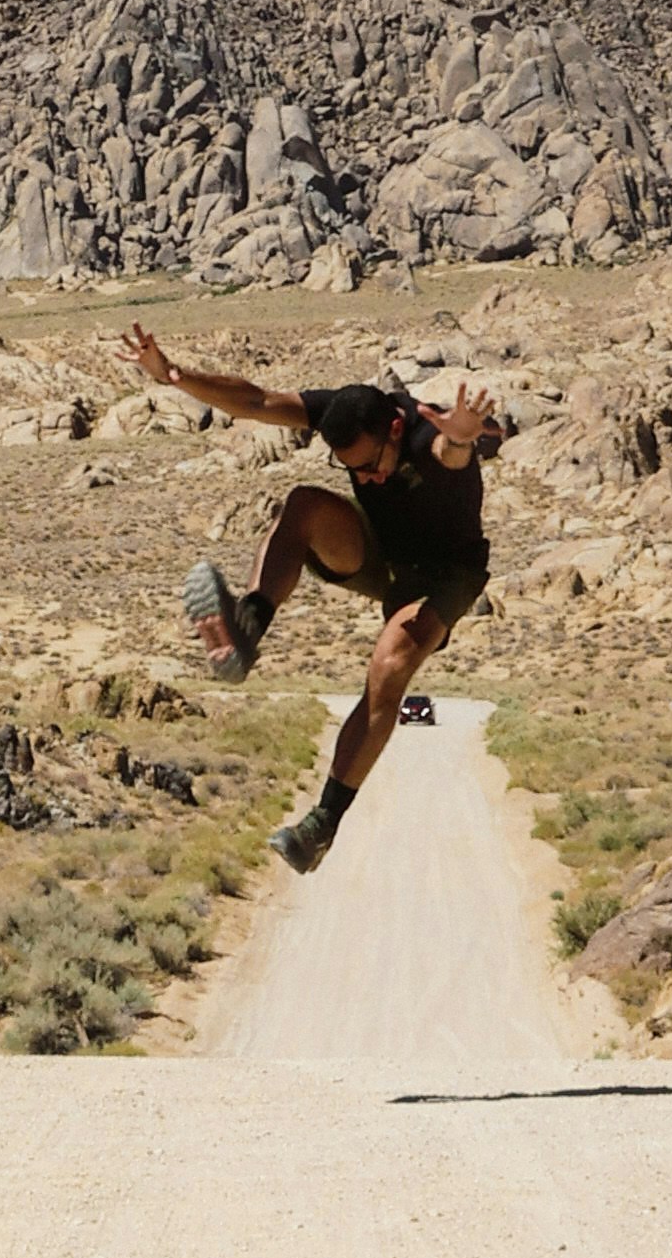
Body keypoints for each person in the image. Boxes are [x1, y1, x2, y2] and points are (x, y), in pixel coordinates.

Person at [126, 320, 505, 872]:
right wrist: (173, 375)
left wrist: (465, 434)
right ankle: (247, 626)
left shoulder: (427, 435)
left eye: (371, 465)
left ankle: (322, 825)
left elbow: (452, 449)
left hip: (446, 576)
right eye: (351, 470)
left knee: (389, 664)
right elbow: (256, 400)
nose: (367, 479)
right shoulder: (348, 413)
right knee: (303, 503)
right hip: (381, 556)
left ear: (395, 430)